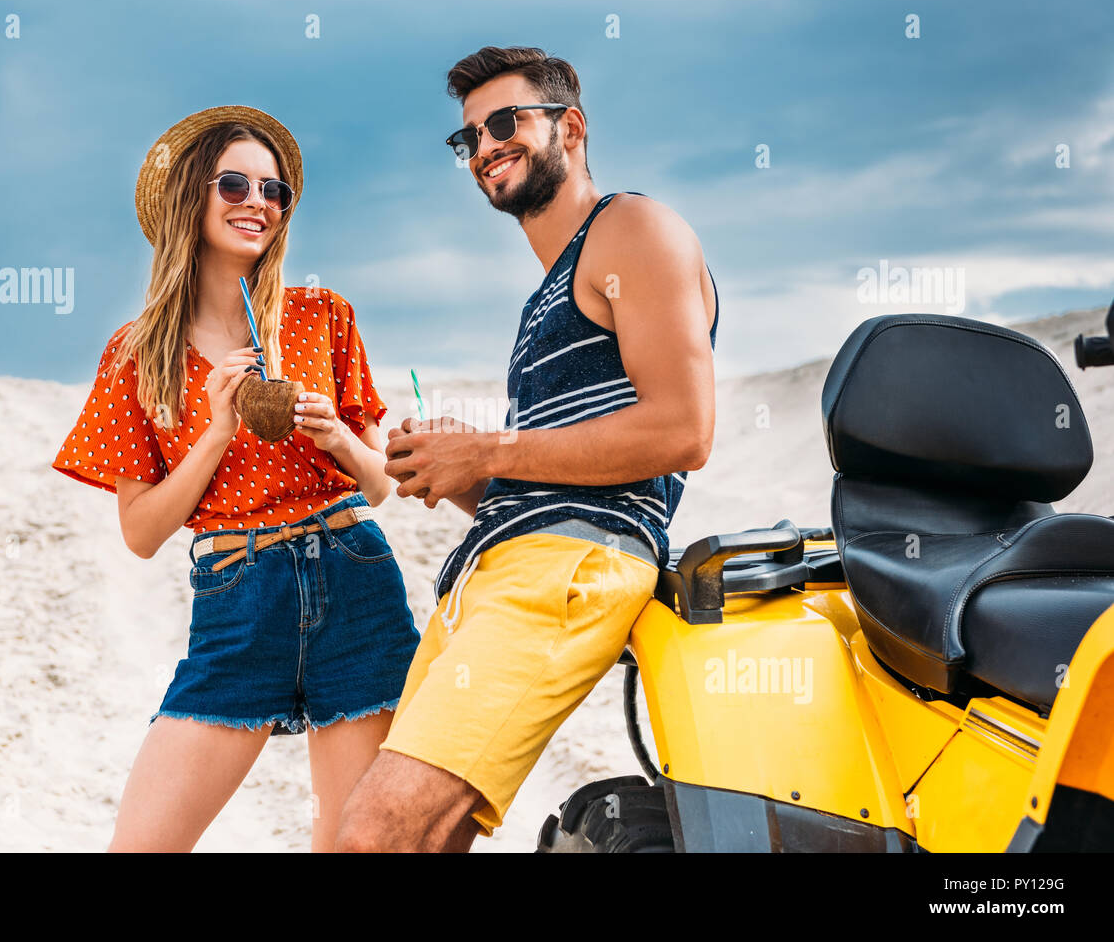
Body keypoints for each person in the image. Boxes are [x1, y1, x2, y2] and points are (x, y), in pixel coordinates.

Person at [336, 47, 719, 852]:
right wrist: (457, 466)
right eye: (468, 137)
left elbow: (683, 430)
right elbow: (556, 472)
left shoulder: (632, 228)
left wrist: (490, 448)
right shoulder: (548, 293)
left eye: (505, 123)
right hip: (502, 566)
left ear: (570, 127)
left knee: (377, 831)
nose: (483, 148)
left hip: (567, 570)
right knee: (402, 833)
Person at [51, 105, 419, 852]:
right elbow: (141, 531)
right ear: (191, 194)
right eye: (234, 184)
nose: (258, 202)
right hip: (239, 593)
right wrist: (217, 431)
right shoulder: (136, 354)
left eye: (273, 191)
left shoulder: (323, 316)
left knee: (352, 846)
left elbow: (380, 485)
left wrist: (338, 435)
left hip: (353, 577)